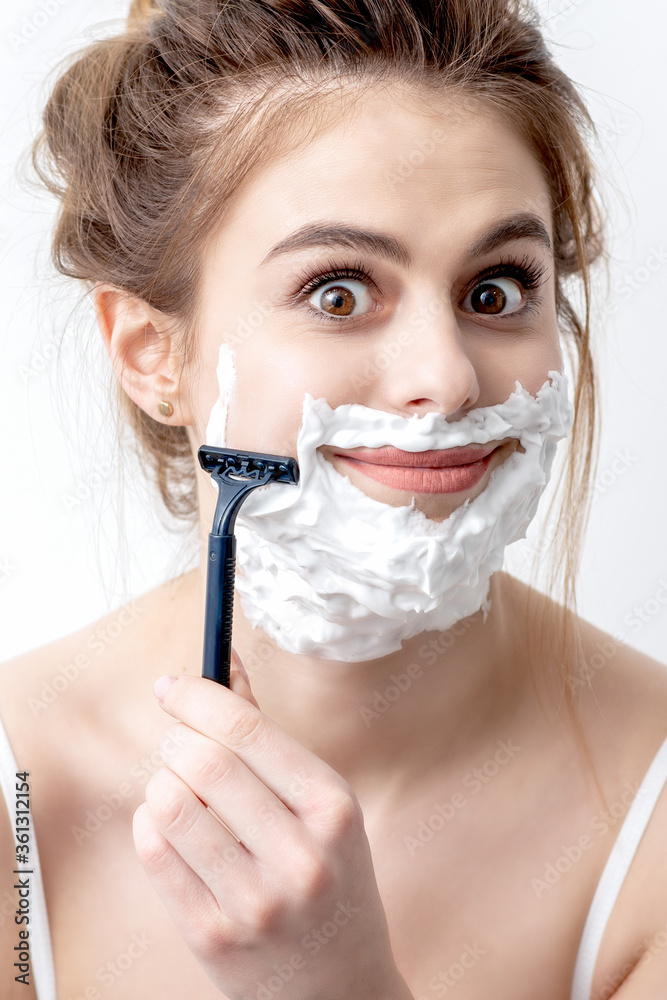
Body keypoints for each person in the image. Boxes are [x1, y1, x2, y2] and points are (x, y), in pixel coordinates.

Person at [1, 1, 666, 998]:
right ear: (152, 355)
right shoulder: (17, 798)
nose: (444, 378)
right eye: (337, 292)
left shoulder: (650, 810)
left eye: (494, 290)